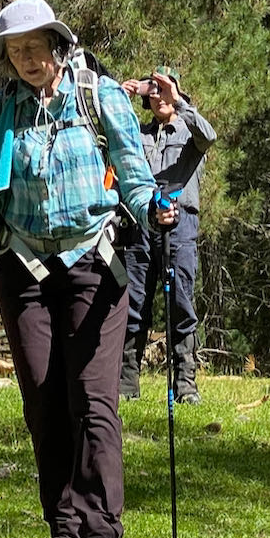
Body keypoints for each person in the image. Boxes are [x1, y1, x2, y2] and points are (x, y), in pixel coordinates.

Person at [0, 0, 170, 538]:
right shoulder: (2, 111)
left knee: (92, 401)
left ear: (57, 45)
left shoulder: (99, 97)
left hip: (94, 264)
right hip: (24, 268)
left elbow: (135, 180)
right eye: (15, 52)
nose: (27, 59)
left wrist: (154, 208)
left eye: (35, 47)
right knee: (42, 402)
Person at [118, 67, 215, 404]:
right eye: (153, 89)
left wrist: (180, 101)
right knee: (134, 304)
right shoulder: (137, 133)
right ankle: (126, 385)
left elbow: (210, 136)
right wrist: (119, 101)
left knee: (181, 303)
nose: (159, 95)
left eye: (165, 88)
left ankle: (185, 384)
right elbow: (111, 145)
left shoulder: (190, 131)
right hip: (140, 223)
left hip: (180, 225)